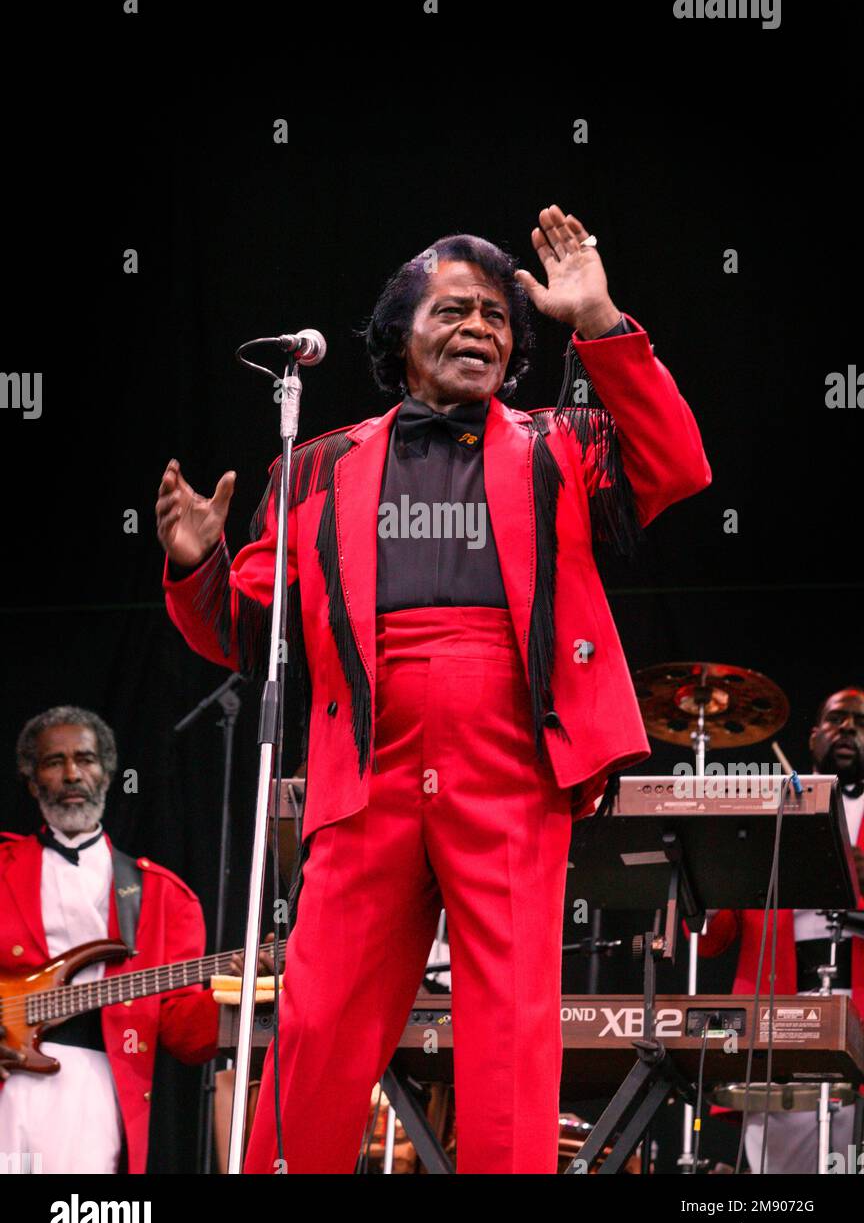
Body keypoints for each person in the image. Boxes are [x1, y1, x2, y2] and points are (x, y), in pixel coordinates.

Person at [157, 204, 711, 1173]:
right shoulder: (318, 462)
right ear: (398, 338)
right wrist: (201, 566)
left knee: (511, 1038)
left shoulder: (556, 444)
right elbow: (249, 632)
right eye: (454, 311)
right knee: (319, 1028)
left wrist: (601, 322)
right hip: (363, 764)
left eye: (499, 318)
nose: (481, 330)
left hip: (511, 763)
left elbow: (676, 464)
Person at [0, 706, 220, 1173]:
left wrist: (232, 997)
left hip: (91, 1084)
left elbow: (185, 1033)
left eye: (85, 759)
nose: (72, 773)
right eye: (54, 762)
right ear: (32, 778)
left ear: (106, 773)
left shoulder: (165, 895)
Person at [694, 687, 864, 1173]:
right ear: (813, 738)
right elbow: (714, 938)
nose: (848, 728)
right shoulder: (767, 811)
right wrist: (703, 874)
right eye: (836, 720)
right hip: (777, 1014)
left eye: (859, 721)